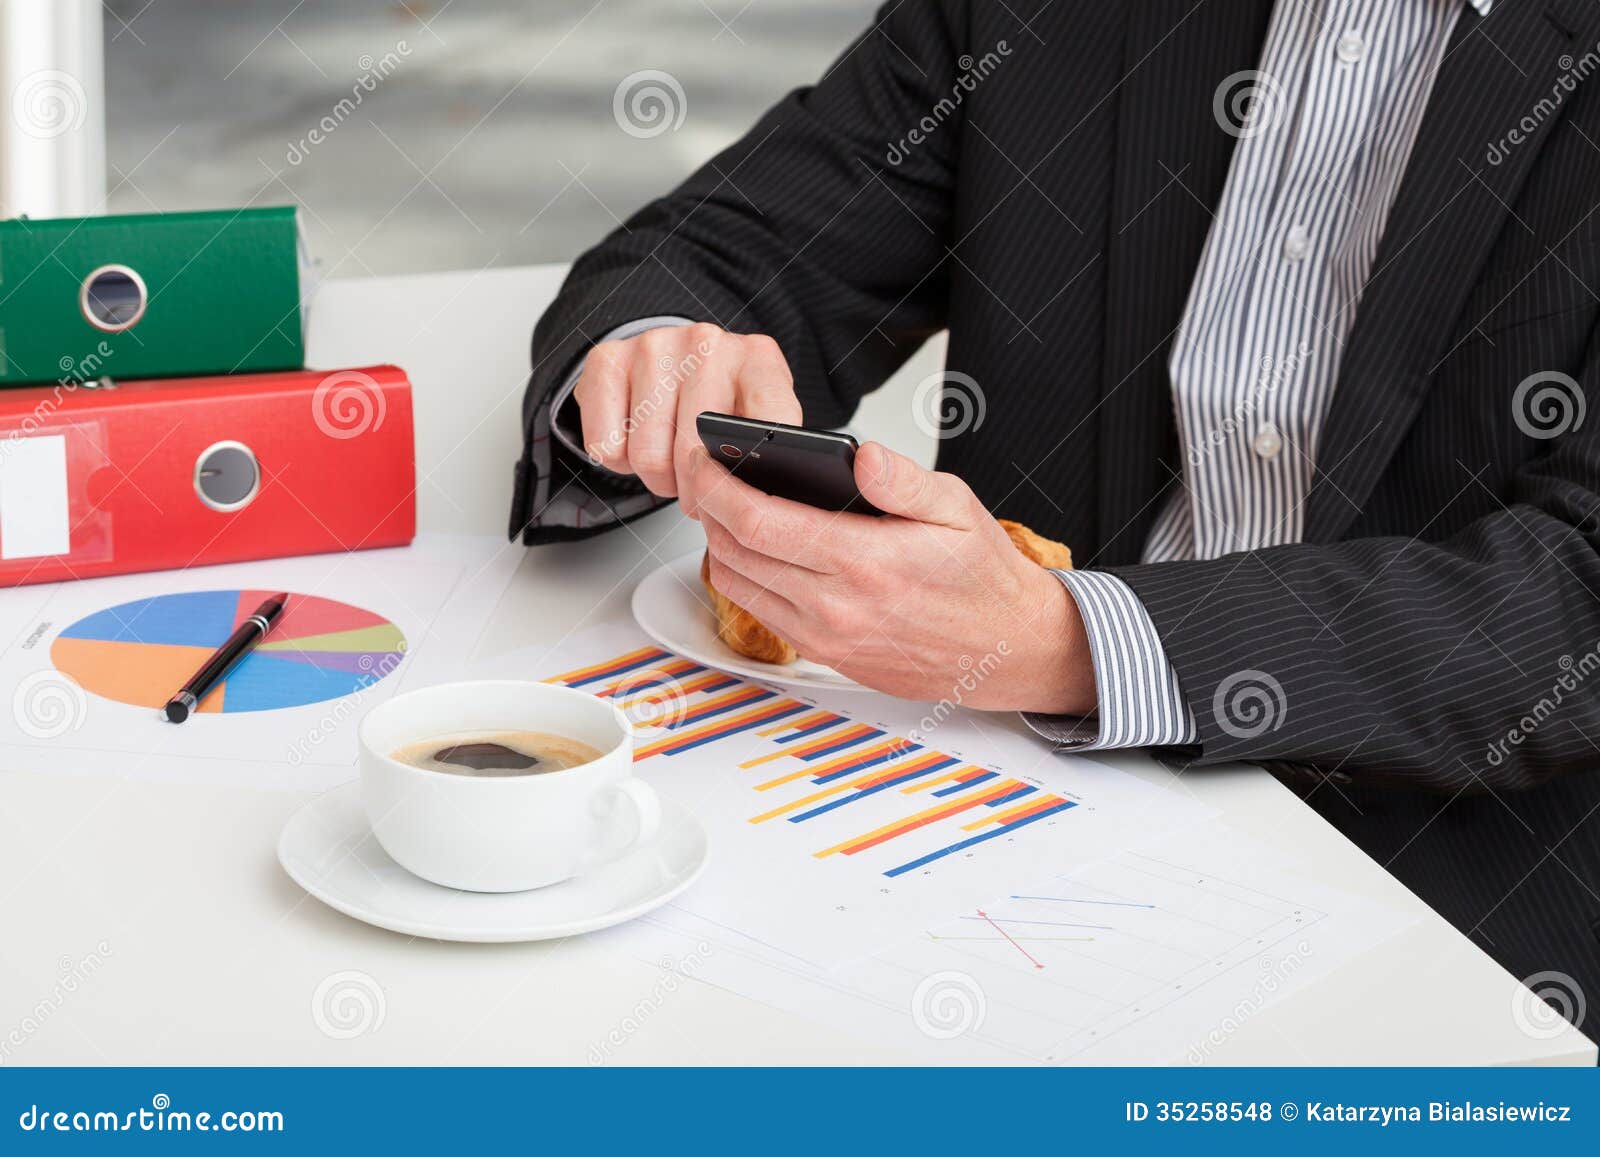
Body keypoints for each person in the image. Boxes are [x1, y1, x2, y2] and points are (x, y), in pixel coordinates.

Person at [512, 0, 1600, 1038]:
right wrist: (654, 359)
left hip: (1447, 890)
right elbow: (735, 247)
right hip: (975, 823)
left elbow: (1578, 589)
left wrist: (1064, 641)